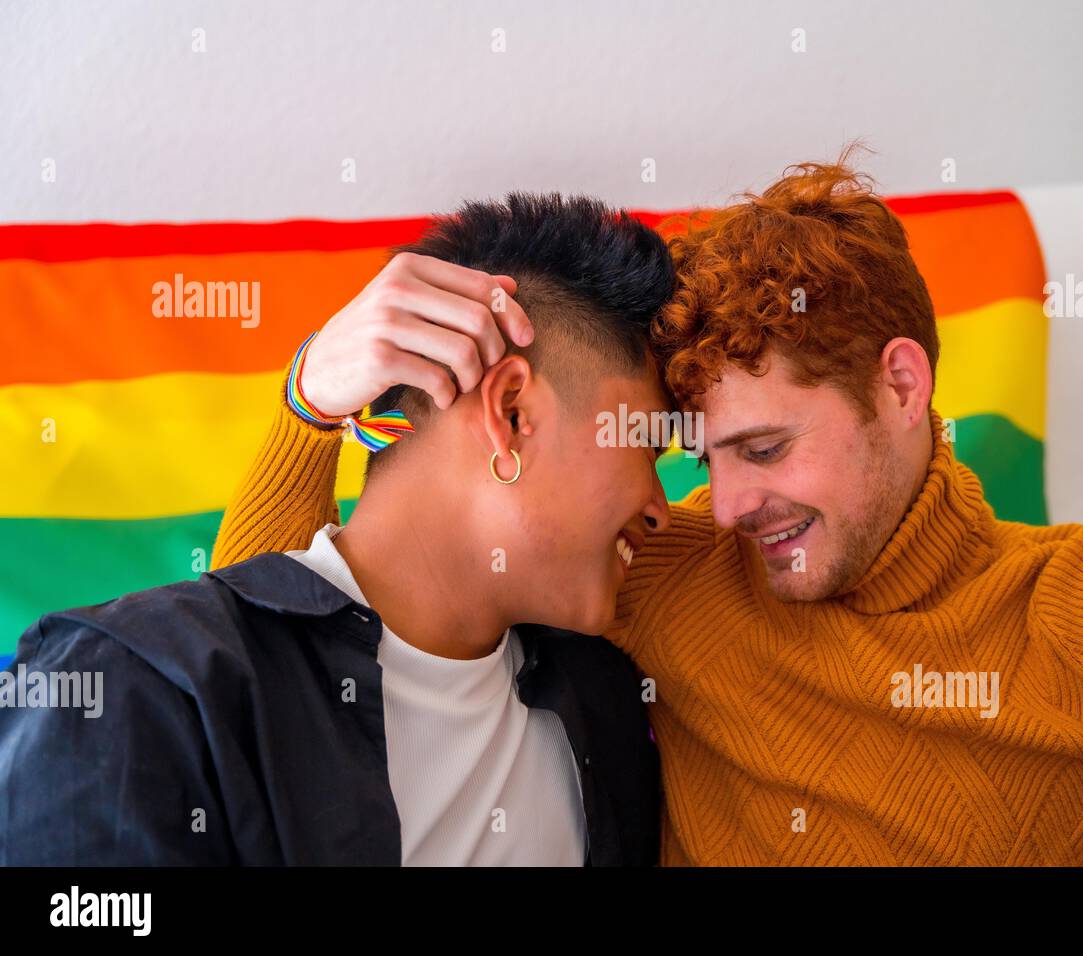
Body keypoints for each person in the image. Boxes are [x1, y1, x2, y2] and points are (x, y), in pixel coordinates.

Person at [216, 156, 1083, 867]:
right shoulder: (669, 569)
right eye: (702, 458)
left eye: (766, 448)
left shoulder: (1082, 605)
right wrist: (312, 398)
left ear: (901, 386)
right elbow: (275, 639)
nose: (726, 506)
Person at [0, 193, 673, 866]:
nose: (661, 505)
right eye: (646, 444)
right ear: (512, 409)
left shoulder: (609, 708)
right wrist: (308, 399)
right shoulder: (129, 685)